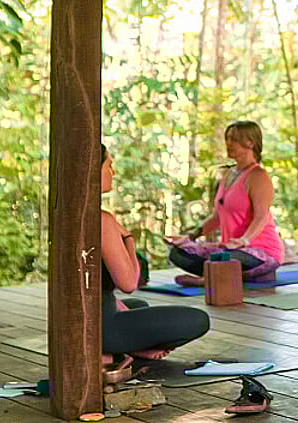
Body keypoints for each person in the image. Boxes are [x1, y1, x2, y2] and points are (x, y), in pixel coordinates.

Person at [101, 146, 209, 360]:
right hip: (100, 329)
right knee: (199, 319)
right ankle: (122, 346)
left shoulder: (72, 213)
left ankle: (131, 346)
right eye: (109, 166)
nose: (113, 172)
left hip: (81, 317)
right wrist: (128, 239)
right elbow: (130, 284)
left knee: (139, 307)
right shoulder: (102, 219)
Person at [166, 121, 284, 285]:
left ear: (250, 142)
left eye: (234, 139)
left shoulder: (258, 176)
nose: (228, 143)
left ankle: (210, 278)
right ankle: (221, 274)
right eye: (227, 139)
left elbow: (261, 217)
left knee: (227, 258)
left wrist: (243, 241)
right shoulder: (228, 175)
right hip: (229, 250)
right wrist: (190, 237)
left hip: (261, 251)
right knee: (178, 253)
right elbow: (217, 218)